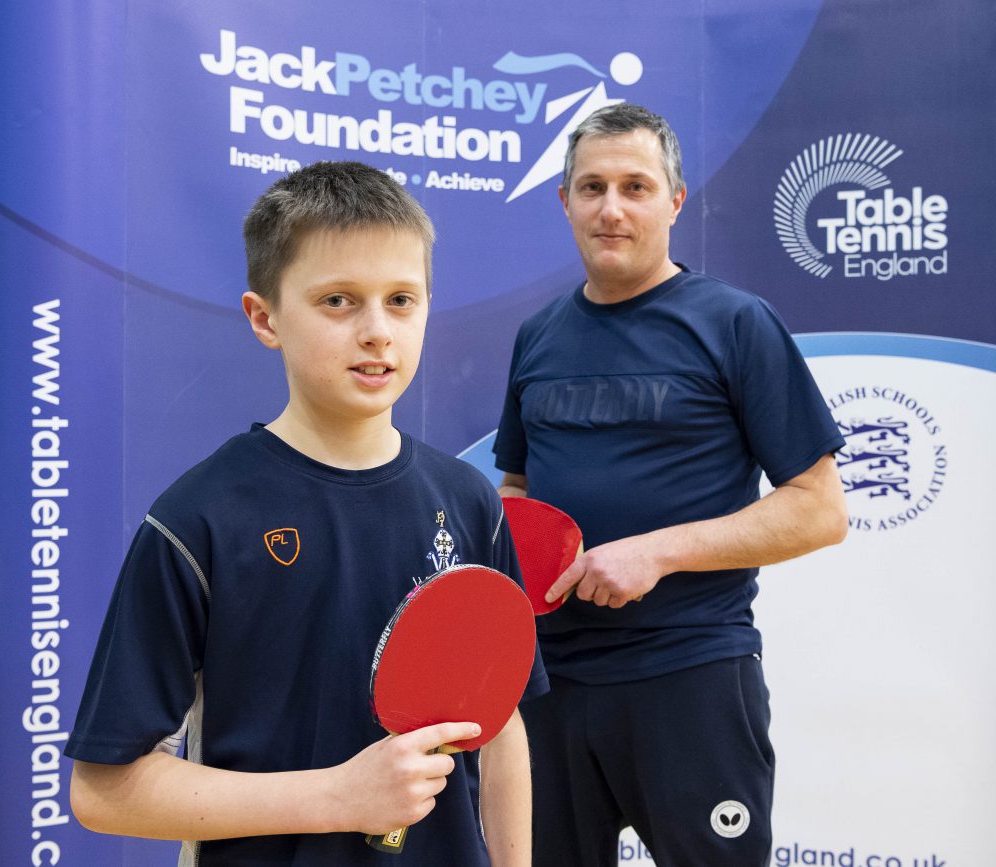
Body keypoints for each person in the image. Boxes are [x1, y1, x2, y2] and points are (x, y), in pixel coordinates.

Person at [66, 161, 547, 866]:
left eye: (402, 300)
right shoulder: (197, 520)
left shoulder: (471, 502)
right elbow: (104, 790)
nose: (377, 331)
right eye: (338, 301)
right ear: (265, 318)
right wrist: (338, 796)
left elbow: (499, 730)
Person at [494, 104, 848, 867]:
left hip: (691, 674)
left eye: (635, 186)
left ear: (675, 201)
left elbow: (820, 510)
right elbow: (516, 489)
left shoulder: (736, 323)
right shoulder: (538, 336)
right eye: (592, 187)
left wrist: (656, 551)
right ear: (564, 201)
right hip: (549, 682)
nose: (611, 208)